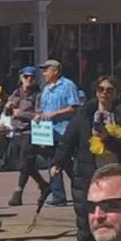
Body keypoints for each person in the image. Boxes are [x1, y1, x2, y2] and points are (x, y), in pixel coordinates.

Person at [52, 77, 121, 241]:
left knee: (117, 221)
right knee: (88, 222)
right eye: (101, 89)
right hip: (88, 176)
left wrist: (109, 139)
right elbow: (67, 141)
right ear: (96, 91)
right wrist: (58, 162)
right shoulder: (84, 115)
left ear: (116, 93)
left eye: (110, 90)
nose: (105, 94)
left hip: (117, 178)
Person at [35, 59, 83, 203]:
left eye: (46, 70)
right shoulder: (46, 89)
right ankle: (58, 196)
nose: (44, 73)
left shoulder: (68, 85)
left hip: (65, 131)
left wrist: (55, 113)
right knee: (52, 163)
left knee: (67, 164)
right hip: (49, 132)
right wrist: (39, 115)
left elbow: (74, 107)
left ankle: (81, 191)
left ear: (55, 70)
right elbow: (43, 109)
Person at [5, 67, 45, 207]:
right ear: (21, 78)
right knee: (27, 165)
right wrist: (8, 108)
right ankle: (44, 185)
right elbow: (7, 112)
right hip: (16, 132)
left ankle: (18, 193)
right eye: (26, 77)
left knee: (24, 164)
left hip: (30, 132)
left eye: (31, 77)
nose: (28, 80)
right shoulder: (16, 93)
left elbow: (39, 115)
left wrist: (21, 113)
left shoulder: (37, 95)